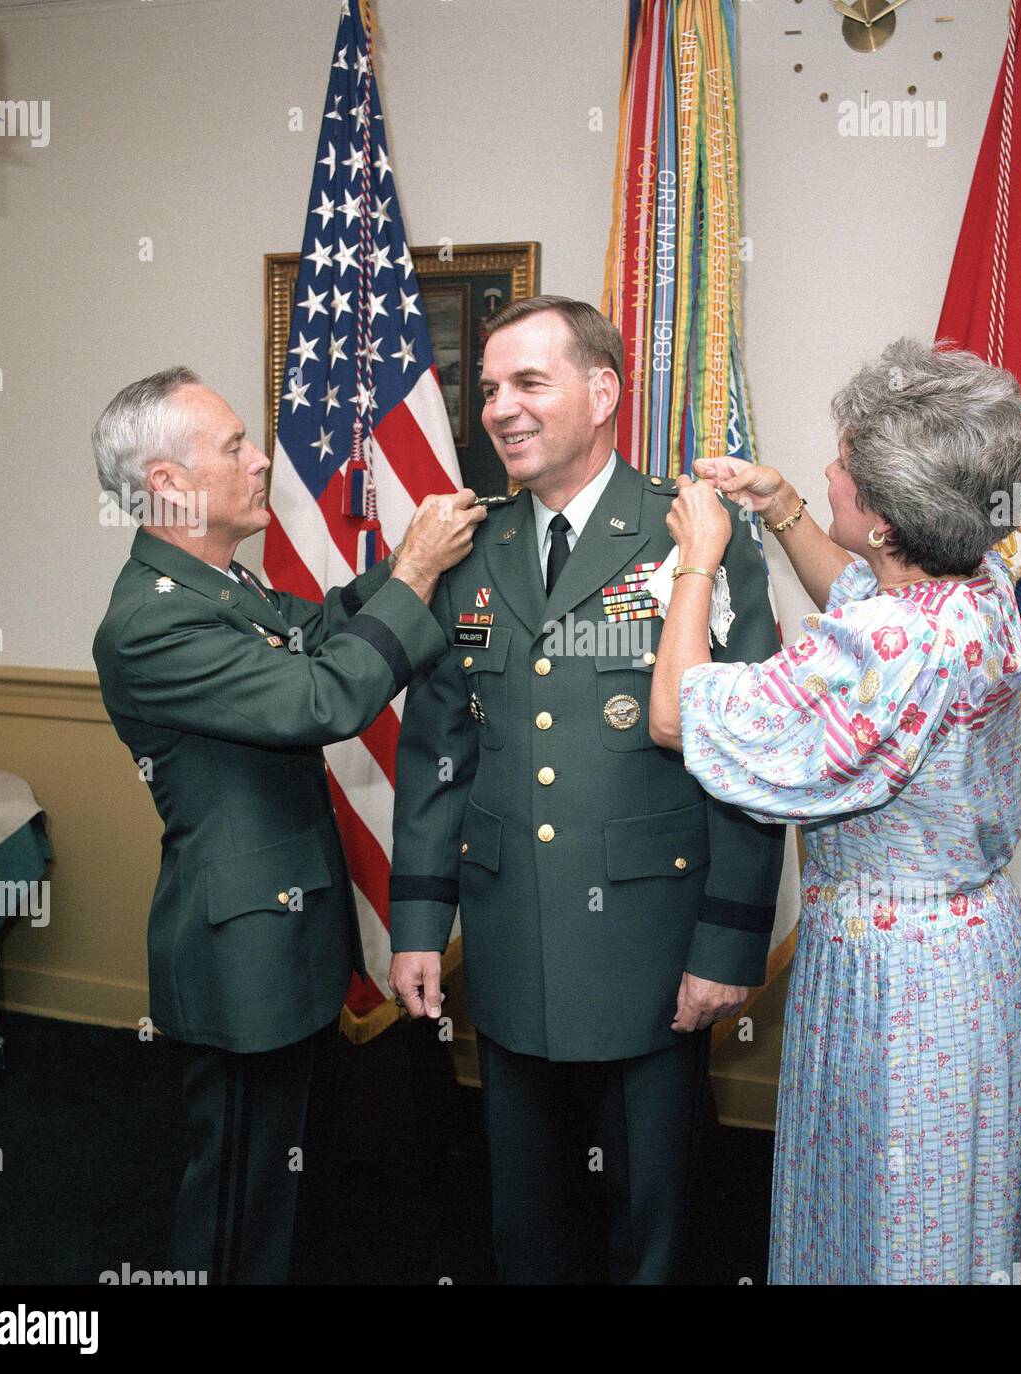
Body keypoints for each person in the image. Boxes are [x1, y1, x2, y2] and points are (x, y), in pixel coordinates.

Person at [387, 297, 785, 1284]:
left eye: (529, 383)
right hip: (513, 937)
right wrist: (417, 921)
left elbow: (746, 748)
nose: (500, 410)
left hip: (652, 948)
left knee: (656, 1219)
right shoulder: (466, 546)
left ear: (601, 392)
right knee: (526, 1217)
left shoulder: (690, 533)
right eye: (487, 389)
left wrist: (728, 941)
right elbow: (440, 748)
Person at [649, 338, 1021, 1285]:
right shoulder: (973, 587)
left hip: (898, 982)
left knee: (892, 1233)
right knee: (933, 1217)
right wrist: (783, 508)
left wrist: (698, 561)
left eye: (846, 465)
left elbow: (678, 715)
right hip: (966, 956)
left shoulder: (891, 645)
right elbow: (859, 597)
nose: (830, 468)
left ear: (890, 514)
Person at [91, 366, 483, 1283]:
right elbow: (323, 695)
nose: (259, 459)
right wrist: (418, 569)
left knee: (277, 1187)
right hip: (239, 956)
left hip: (284, 936)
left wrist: (421, 555)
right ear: (168, 484)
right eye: (233, 445)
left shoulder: (218, 585)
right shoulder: (149, 624)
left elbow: (330, 625)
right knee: (235, 1200)